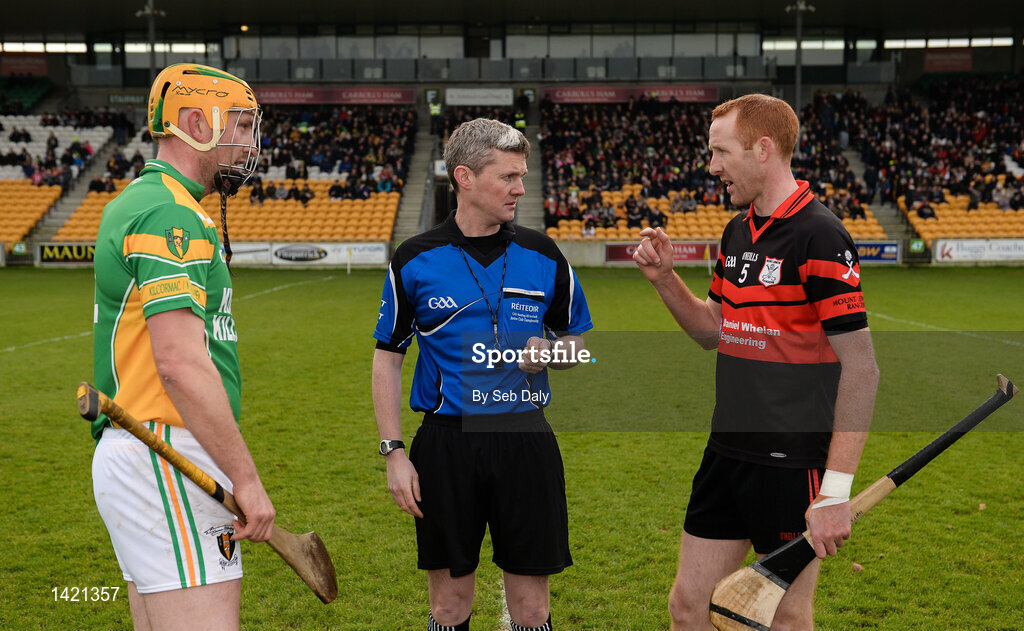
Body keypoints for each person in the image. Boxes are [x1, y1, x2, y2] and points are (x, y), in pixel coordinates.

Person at [632, 94, 879, 631]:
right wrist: (665, 280)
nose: (712, 166)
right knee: (687, 605)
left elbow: (862, 369)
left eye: (720, 152)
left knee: (785, 617)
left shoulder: (820, 235)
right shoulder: (737, 231)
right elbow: (713, 331)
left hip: (792, 464)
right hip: (727, 451)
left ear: (762, 149)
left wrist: (834, 492)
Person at [373, 118, 593, 631]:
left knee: (533, 609)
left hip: (526, 439)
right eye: (509, 177)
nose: (520, 188)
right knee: (450, 607)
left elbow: (577, 341)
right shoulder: (415, 258)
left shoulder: (543, 254)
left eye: (522, 175)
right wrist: (394, 452)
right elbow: (388, 356)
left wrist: (555, 353)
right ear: (465, 178)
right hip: (447, 444)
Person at [90, 63, 274, 631]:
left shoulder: (160, 201)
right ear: (196, 123)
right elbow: (179, 361)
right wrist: (244, 477)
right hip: (166, 449)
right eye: (239, 126)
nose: (249, 143)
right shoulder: (170, 214)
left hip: (147, 449)